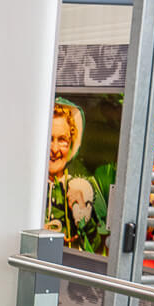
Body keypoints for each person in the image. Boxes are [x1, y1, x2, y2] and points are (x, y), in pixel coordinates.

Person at [45, 99, 112, 254]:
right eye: (49, 138)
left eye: (62, 140)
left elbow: (98, 249)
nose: (55, 149)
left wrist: (84, 217)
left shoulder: (84, 186)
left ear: (72, 142)